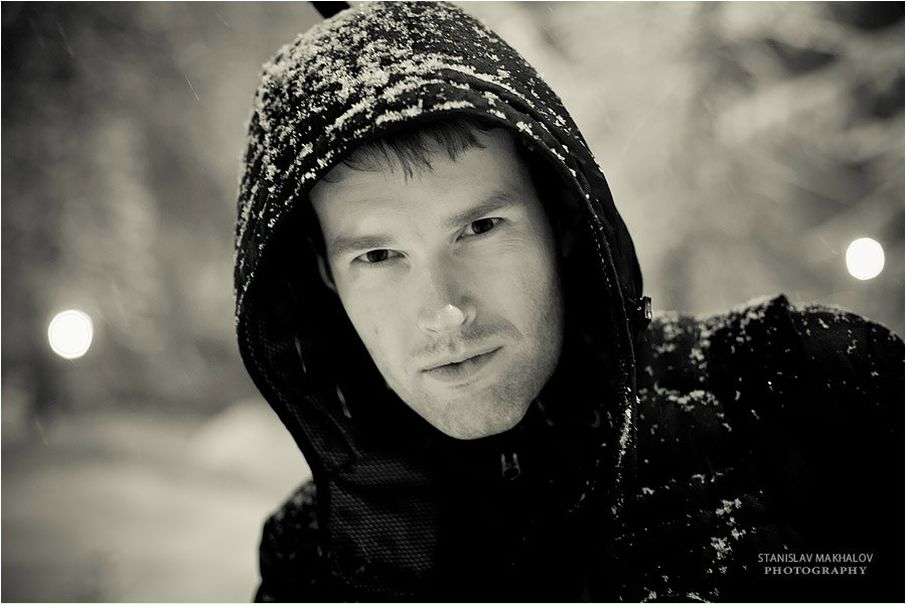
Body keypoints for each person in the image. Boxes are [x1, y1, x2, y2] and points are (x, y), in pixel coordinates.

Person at [234, 3, 903, 601]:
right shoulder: (316, 563)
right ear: (326, 277)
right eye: (379, 256)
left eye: (480, 228)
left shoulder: (800, 394)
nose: (444, 311)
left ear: (560, 222)